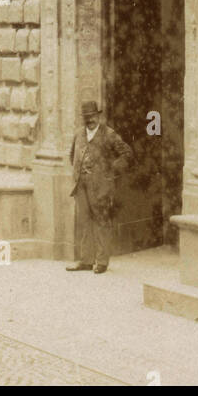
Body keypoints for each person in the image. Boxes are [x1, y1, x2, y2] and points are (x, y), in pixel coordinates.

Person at [66, 99, 132, 275]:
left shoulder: (109, 134)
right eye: (86, 117)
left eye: (92, 116)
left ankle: (102, 262)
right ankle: (86, 260)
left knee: (102, 221)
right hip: (81, 185)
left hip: (101, 186)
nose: (90, 120)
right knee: (84, 222)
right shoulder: (79, 134)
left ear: (98, 116)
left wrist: (110, 170)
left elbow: (126, 153)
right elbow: (72, 155)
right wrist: (79, 172)